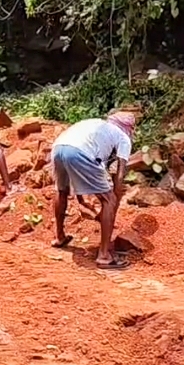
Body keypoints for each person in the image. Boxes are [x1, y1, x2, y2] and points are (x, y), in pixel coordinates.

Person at [51, 111, 136, 269]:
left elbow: (80, 168)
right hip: (79, 152)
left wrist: (84, 201)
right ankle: (104, 256)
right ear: (129, 129)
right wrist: (113, 202)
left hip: (58, 148)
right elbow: (120, 174)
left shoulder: (96, 124)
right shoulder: (123, 137)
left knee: (61, 190)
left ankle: (59, 236)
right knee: (109, 199)